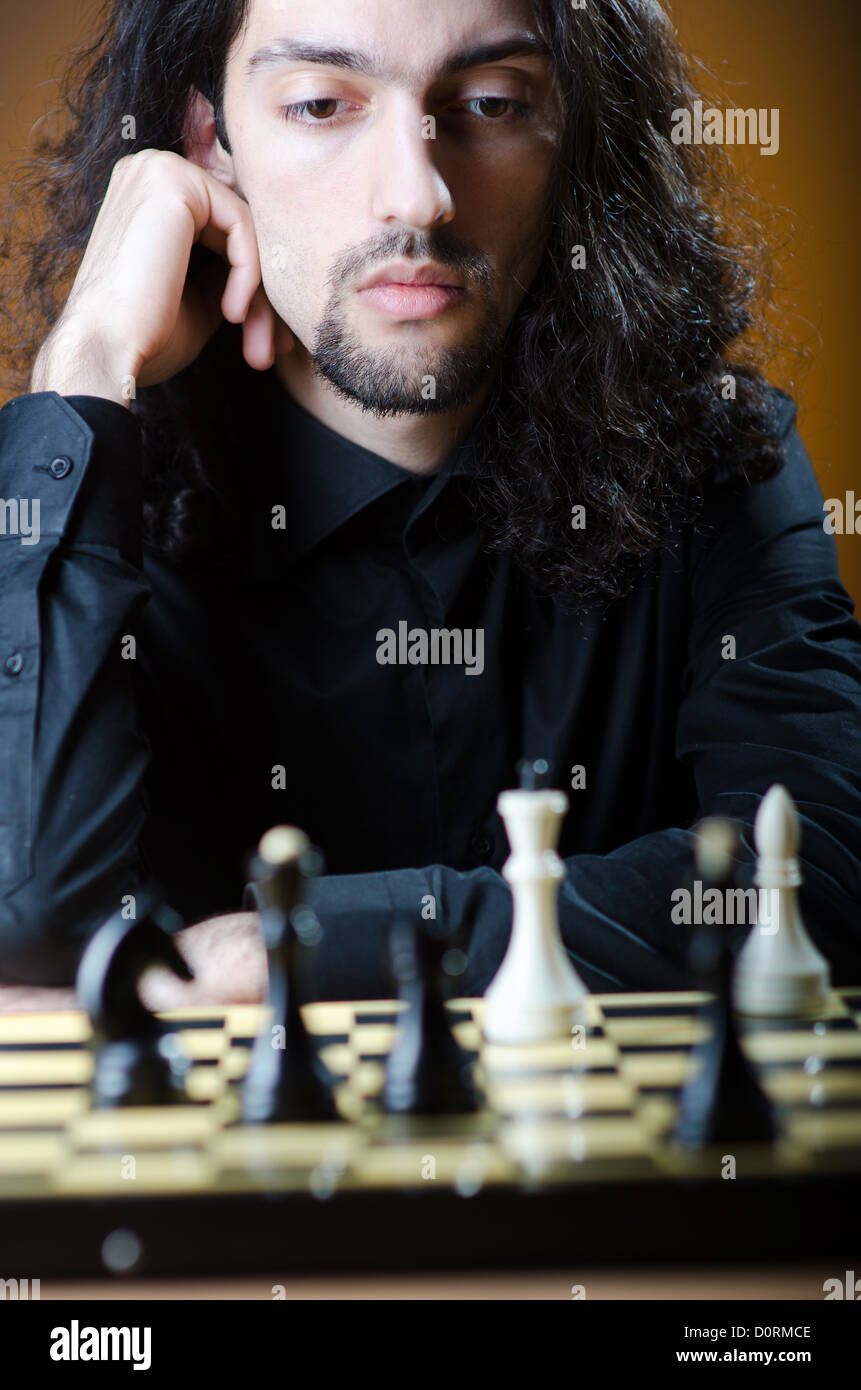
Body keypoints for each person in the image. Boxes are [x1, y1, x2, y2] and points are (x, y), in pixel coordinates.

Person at [0, 0, 859, 1005]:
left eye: (492, 103)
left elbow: (827, 887)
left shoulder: (723, 459)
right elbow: (28, 929)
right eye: (322, 104)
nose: (417, 197)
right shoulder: (82, 490)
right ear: (210, 142)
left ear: (573, 135)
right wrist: (87, 362)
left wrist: (303, 943)